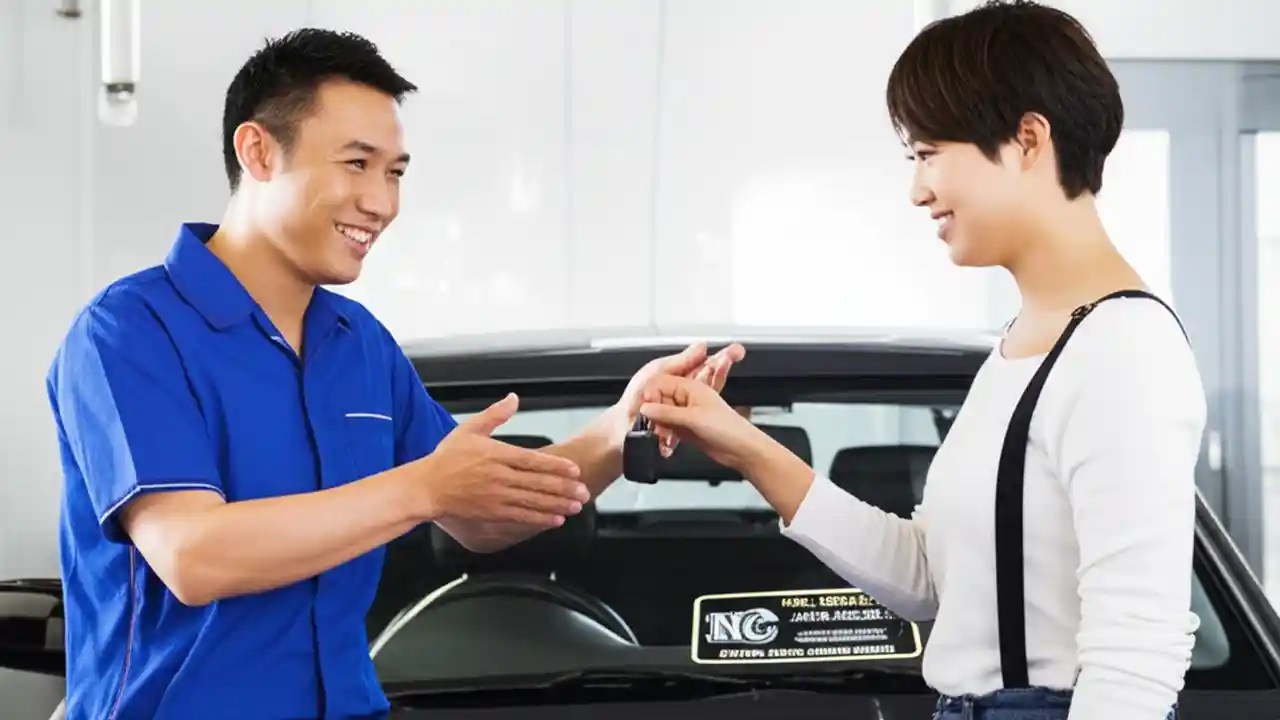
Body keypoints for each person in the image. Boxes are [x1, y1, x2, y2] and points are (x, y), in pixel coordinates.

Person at [45, 28, 743, 720]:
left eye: (395, 173)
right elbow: (195, 557)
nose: (381, 202)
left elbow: (479, 512)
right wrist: (421, 488)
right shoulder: (129, 332)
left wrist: (622, 428)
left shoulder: (360, 346)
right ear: (258, 151)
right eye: (357, 163)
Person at [636, 2, 1204, 719]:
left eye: (929, 153)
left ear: (1027, 140)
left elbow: (1135, 661)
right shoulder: (1024, 344)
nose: (918, 190)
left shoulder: (1122, 349)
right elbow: (929, 578)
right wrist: (743, 445)